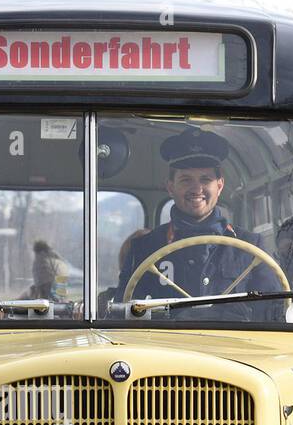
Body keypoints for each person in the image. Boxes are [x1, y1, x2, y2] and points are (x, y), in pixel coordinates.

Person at [117, 127, 281, 320]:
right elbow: (124, 314)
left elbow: (275, 311)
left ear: (219, 186)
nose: (197, 189)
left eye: (206, 179)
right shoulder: (143, 249)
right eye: (186, 180)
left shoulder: (251, 248)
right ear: (170, 187)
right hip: (165, 348)